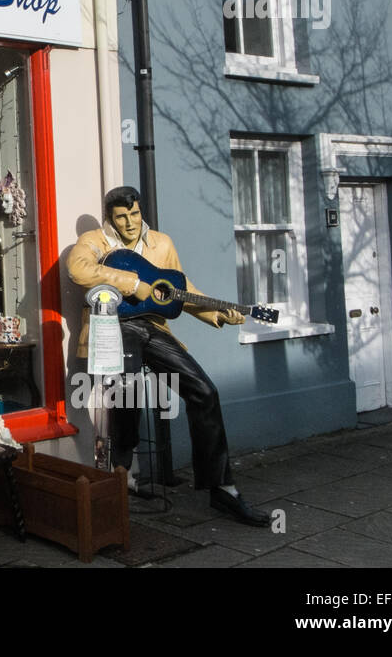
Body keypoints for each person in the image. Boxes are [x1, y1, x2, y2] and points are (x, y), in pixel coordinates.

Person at [67, 186, 270, 527]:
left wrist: (217, 313)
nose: (130, 222)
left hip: (153, 328)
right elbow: (79, 270)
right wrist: (133, 284)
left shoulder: (161, 244)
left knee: (204, 392)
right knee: (127, 393)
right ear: (110, 218)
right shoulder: (94, 241)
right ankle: (121, 475)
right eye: (121, 216)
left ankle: (222, 488)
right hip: (114, 327)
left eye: (134, 214)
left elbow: (178, 289)